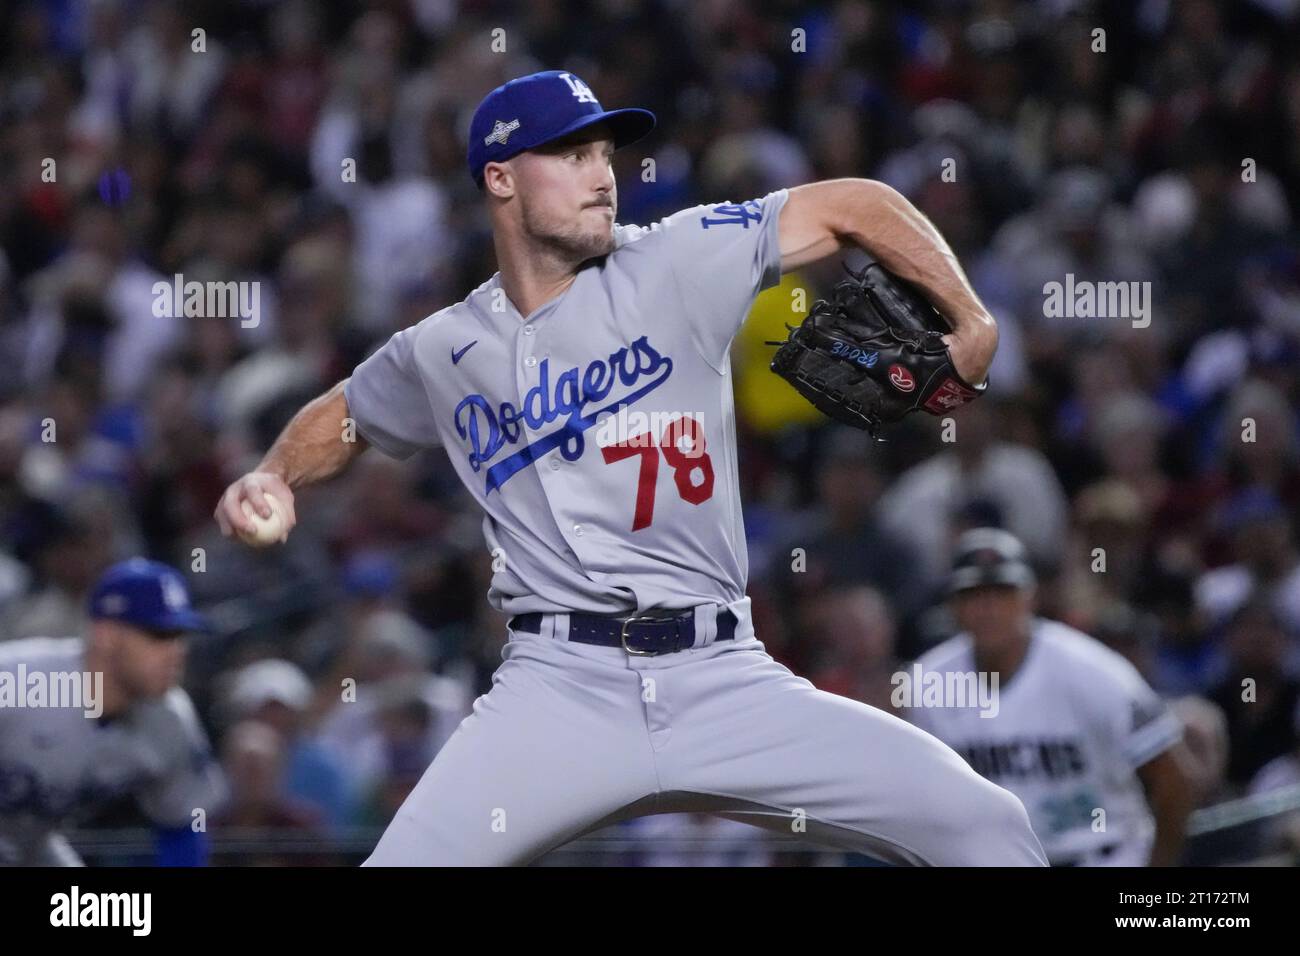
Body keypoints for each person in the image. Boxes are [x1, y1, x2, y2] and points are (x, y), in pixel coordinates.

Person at [215, 70, 1044, 866]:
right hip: (556, 693)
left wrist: (969, 320)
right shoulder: (445, 347)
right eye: (571, 155)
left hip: (721, 675)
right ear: (500, 179)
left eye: (605, 154)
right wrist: (275, 476)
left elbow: (855, 204)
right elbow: (348, 414)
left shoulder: (677, 258)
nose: (601, 175)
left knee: (985, 825)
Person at [906, 528, 1195, 866]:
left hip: (1099, 858)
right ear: (953, 605)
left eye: (1002, 592)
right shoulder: (928, 681)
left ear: (1029, 597)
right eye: (973, 594)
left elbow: (1174, 781)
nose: (988, 608)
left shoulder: (1092, 670)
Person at [0, 558, 226, 865]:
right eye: (158, 634)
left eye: (180, 636)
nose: (176, 652)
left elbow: (182, 827)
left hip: (30, 845)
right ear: (106, 635)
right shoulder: (19, 681)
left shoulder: (170, 719)